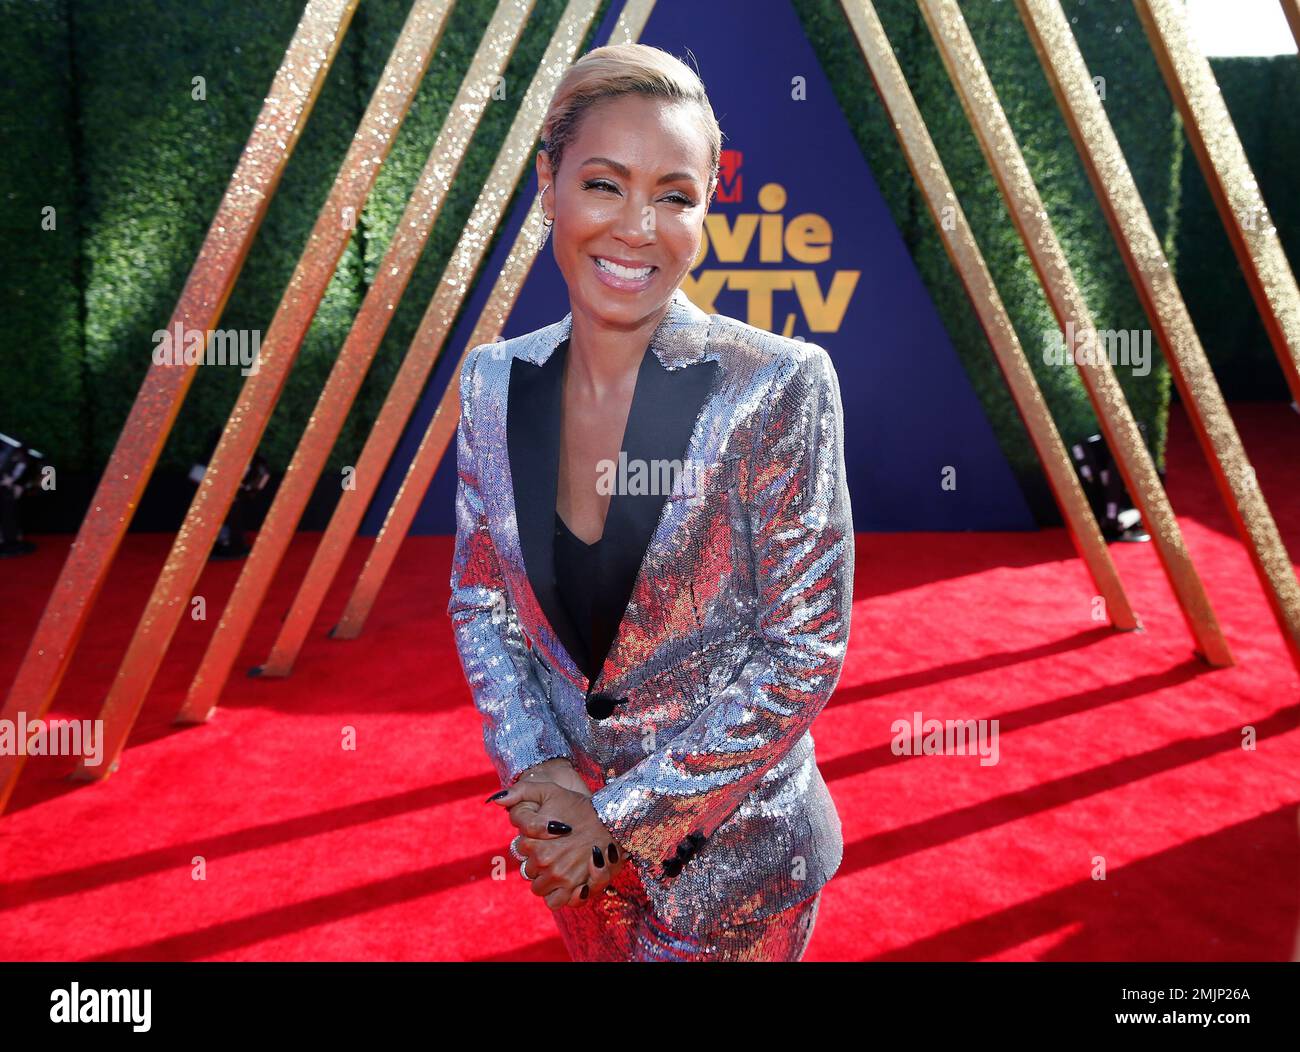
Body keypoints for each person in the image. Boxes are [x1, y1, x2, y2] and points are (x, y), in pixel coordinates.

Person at [449, 42, 853, 961]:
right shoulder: (489, 384)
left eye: (675, 195)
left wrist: (619, 821)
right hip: (569, 858)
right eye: (604, 184)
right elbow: (482, 602)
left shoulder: (777, 385)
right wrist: (540, 771)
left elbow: (802, 648)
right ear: (548, 180)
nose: (638, 227)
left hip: (737, 867)